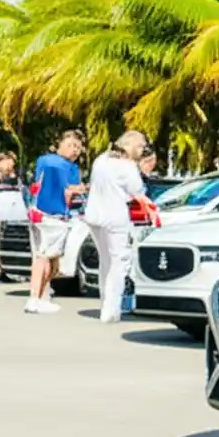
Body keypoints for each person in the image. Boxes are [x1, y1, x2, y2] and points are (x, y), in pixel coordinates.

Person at [84, 130, 154, 323]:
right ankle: (111, 309)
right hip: (115, 217)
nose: (143, 150)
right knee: (119, 262)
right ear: (130, 145)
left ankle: (105, 303)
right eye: (141, 146)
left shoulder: (101, 160)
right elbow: (137, 191)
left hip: (93, 215)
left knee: (105, 262)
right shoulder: (128, 166)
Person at [26, 130, 87, 314]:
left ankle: (42, 295)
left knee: (53, 261)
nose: (74, 150)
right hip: (47, 215)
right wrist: (85, 188)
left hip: (59, 216)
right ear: (58, 145)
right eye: (70, 145)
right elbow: (69, 190)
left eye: (78, 147)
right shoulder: (52, 162)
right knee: (43, 257)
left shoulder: (70, 167)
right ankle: (34, 298)